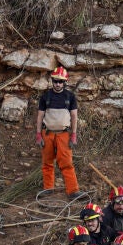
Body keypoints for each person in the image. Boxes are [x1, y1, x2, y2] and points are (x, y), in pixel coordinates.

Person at [34, 66, 81, 198]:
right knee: (47, 162)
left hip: (64, 134)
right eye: (55, 81)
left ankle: (73, 191)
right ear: (52, 81)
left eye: (60, 81)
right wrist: (38, 135)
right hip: (47, 134)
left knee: (66, 163)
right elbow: (40, 116)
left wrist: (74, 135)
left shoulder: (70, 97)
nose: (58, 84)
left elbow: (74, 117)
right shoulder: (45, 97)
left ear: (65, 82)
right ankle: (48, 188)